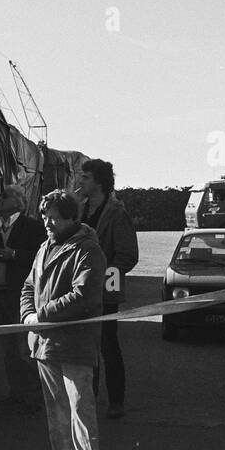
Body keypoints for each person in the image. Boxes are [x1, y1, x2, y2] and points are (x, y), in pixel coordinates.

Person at [21, 189, 107, 450]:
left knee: (81, 409)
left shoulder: (88, 251)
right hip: (45, 344)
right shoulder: (43, 247)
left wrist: (40, 315)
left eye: (54, 216)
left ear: (73, 217)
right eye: (44, 215)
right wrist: (29, 313)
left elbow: (84, 296)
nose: (47, 221)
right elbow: (29, 285)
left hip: (75, 344)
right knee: (56, 409)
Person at [75, 159, 138, 420]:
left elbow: (128, 255)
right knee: (84, 347)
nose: (81, 182)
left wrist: (103, 277)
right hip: (79, 290)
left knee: (108, 346)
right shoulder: (80, 209)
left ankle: (116, 402)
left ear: (99, 182)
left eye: (86, 177)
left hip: (104, 293)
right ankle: (88, 398)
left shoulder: (116, 212)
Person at [0, 187, 46, 410]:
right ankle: (16, 393)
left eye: (4, 196)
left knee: (24, 348)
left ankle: (33, 397)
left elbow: (41, 257)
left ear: (18, 201)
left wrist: (14, 255)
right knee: (7, 348)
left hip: (20, 295)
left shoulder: (32, 226)